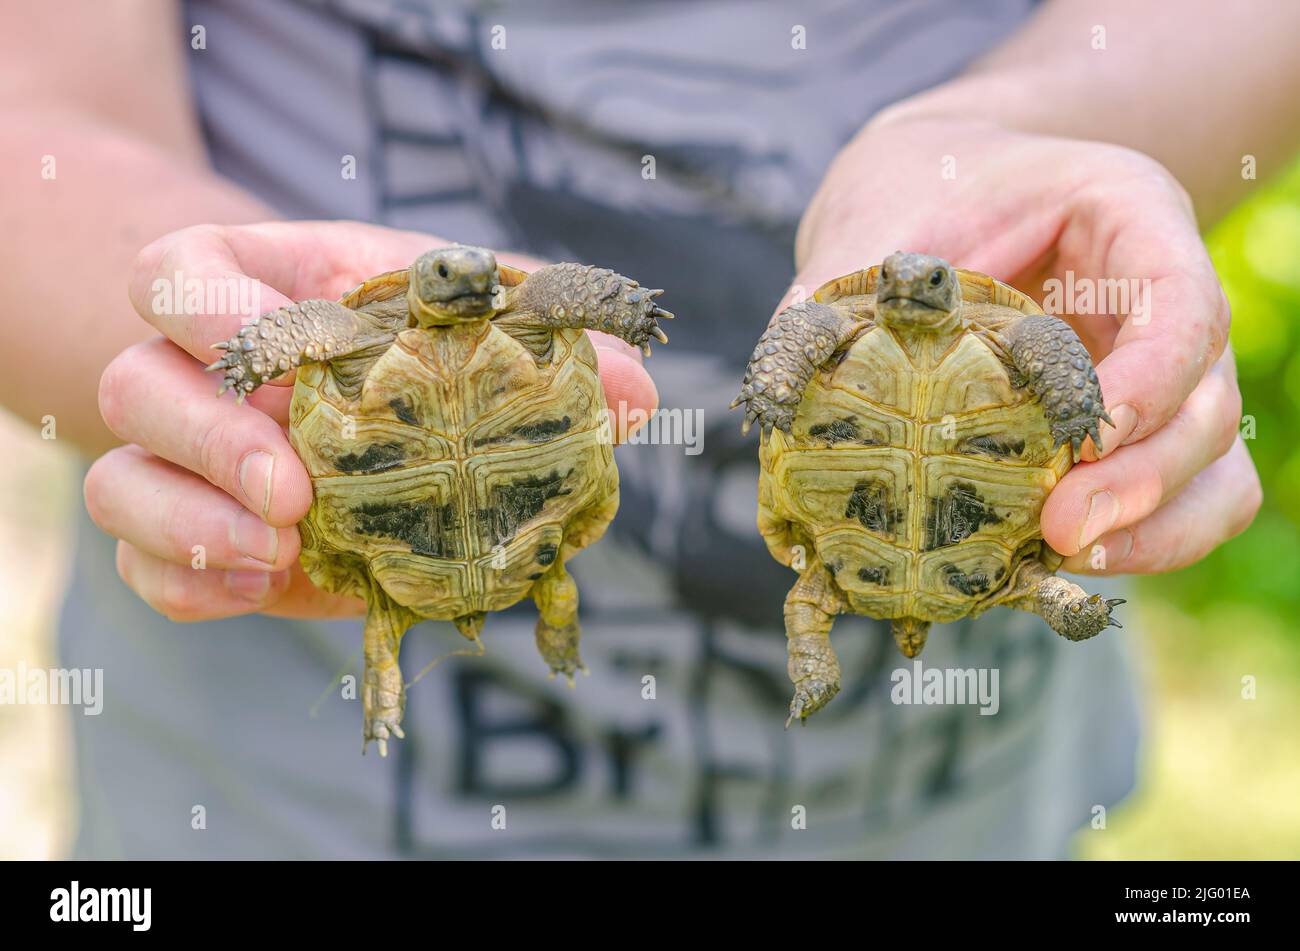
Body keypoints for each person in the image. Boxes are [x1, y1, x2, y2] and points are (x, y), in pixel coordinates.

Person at [4, 0, 1279, 858]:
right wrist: (208, 346)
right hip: (282, 795)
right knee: (403, 603)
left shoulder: (955, 330)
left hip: (961, 795)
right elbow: (37, 114)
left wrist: (1022, 136)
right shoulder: (361, 333)